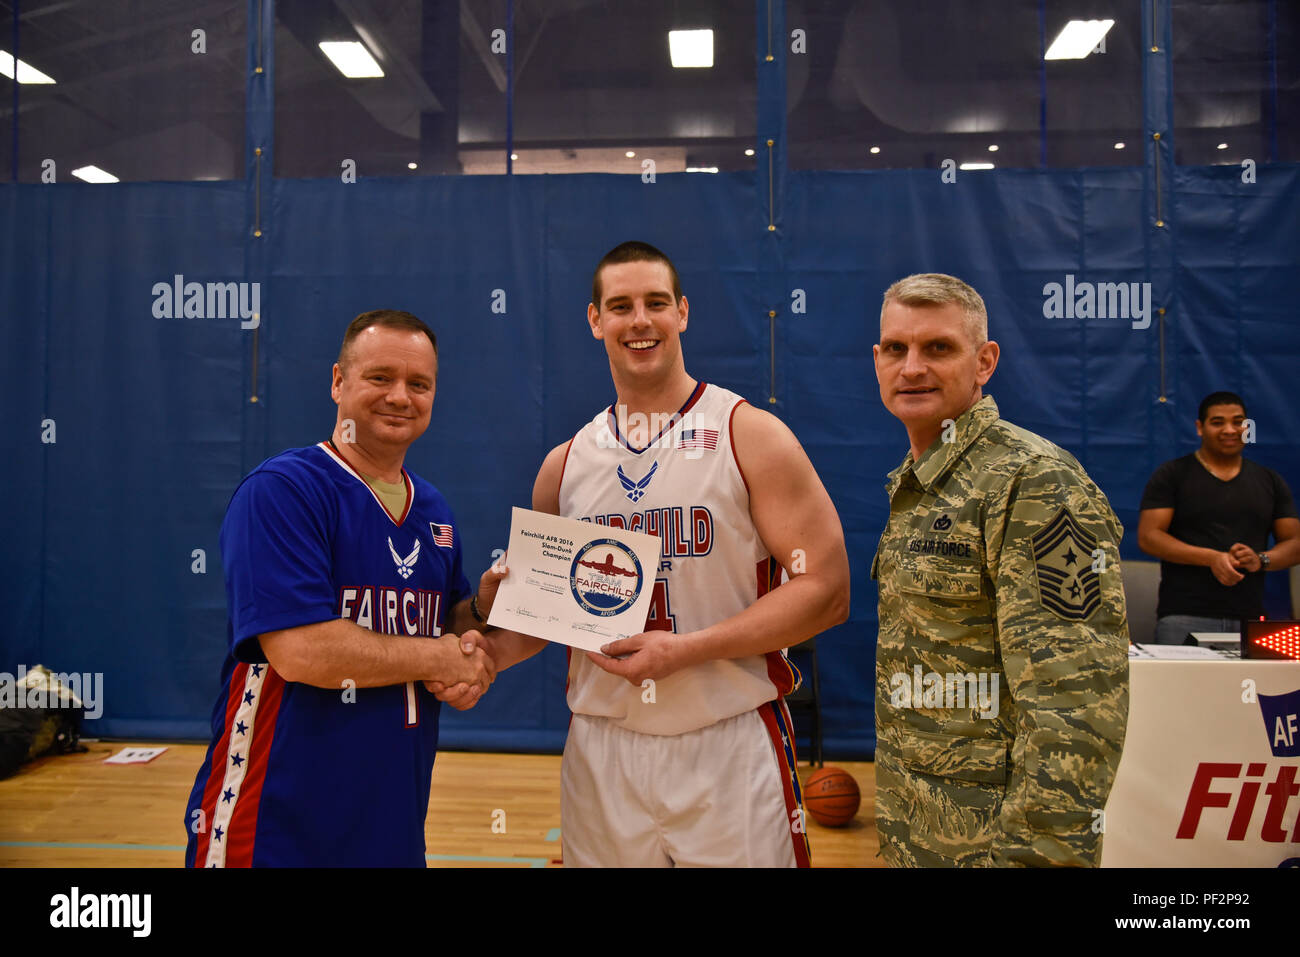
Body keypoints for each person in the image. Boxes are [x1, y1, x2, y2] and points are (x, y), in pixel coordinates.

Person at [471, 241, 850, 866]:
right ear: (596, 321)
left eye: (655, 303)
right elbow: (538, 624)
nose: (639, 320)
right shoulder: (563, 466)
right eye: (620, 306)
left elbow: (828, 591)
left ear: (682, 313)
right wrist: (490, 633)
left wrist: (687, 650)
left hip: (728, 741)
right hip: (602, 750)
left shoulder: (747, 434)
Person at [183, 309, 496, 867]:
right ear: (337, 382)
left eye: (418, 384)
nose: (401, 396)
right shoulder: (284, 491)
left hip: (391, 821)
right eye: (381, 377)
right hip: (276, 823)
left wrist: (487, 611)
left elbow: (445, 629)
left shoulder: (433, 509)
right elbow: (303, 652)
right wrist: (443, 658)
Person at [870, 273, 1129, 867]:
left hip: (998, 848)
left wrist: (1035, 857)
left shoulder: (1034, 482)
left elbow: (1077, 705)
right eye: (895, 349)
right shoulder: (920, 481)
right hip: (920, 832)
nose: (911, 367)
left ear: (984, 362)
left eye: (938, 348)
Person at [1137, 391, 1300, 644]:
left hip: (1251, 618)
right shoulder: (1172, 475)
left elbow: (1295, 543)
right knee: (1182, 686)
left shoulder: (1269, 480)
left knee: (1254, 686)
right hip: (1183, 616)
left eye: (1238, 422)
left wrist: (1261, 559)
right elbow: (1149, 537)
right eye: (1217, 422)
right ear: (1200, 428)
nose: (1229, 430)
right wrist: (1211, 558)